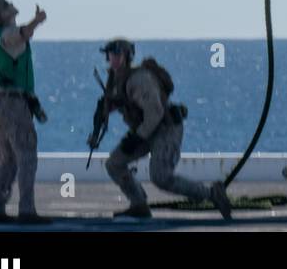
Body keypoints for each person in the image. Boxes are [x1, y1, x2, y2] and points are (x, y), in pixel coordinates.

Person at [98, 38, 232, 220]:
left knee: (161, 177)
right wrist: (104, 112)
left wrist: (137, 138)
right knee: (114, 164)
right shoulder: (116, 79)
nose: (112, 58)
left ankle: (212, 194)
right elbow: (122, 102)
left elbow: (155, 112)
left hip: (165, 129)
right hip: (145, 129)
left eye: (117, 55)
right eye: (110, 55)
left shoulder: (139, 79)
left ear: (127, 57)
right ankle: (138, 204)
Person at [0, 0, 52, 225]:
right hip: (13, 103)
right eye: (6, 5)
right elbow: (21, 34)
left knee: (7, 159)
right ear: (1, 14)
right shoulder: (8, 35)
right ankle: (27, 210)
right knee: (26, 156)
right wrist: (37, 20)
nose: (11, 6)